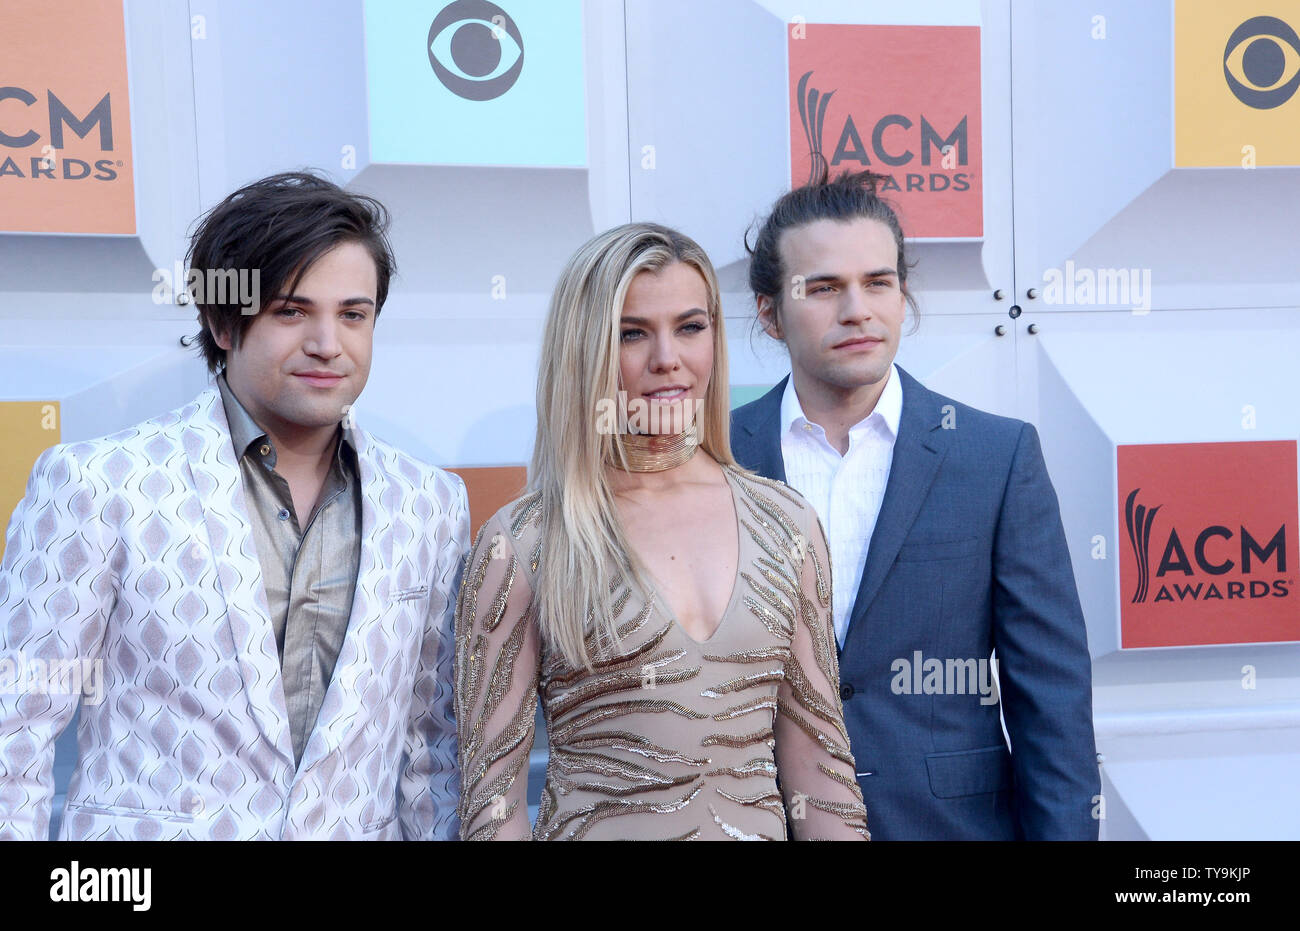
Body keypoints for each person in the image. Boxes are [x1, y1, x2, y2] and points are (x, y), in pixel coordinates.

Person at [0, 171, 468, 840]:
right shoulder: (99, 485)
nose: (328, 343)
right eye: (291, 311)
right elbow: (12, 726)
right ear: (223, 321)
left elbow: (431, 749)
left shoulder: (431, 505)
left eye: (353, 314)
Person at [454, 222, 868, 840]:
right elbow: (493, 805)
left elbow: (823, 779)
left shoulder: (786, 523)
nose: (667, 359)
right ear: (586, 349)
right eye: (632, 333)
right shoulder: (523, 544)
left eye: (690, 327)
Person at [730, 169, 1099, 840]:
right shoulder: (716, 457)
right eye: (823, 288)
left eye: (878, 282)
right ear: (768, 311)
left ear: (903, 295)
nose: (857, 309)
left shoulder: (996, 457)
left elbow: (1052, 699)